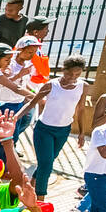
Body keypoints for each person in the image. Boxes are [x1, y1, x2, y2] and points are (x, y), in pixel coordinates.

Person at [13, 54, 86, 196]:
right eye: (70, 73)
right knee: (46, 165)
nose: (73, 76)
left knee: (47, 161)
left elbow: (81, 109)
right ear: (62, 69)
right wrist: (16, 117)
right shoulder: (51, 85)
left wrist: (82, 133)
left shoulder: (83, 86)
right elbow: (32, 103)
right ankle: (40, 199)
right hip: (44, 129)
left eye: (77, 73)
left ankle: (32, 183)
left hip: (64, 131)